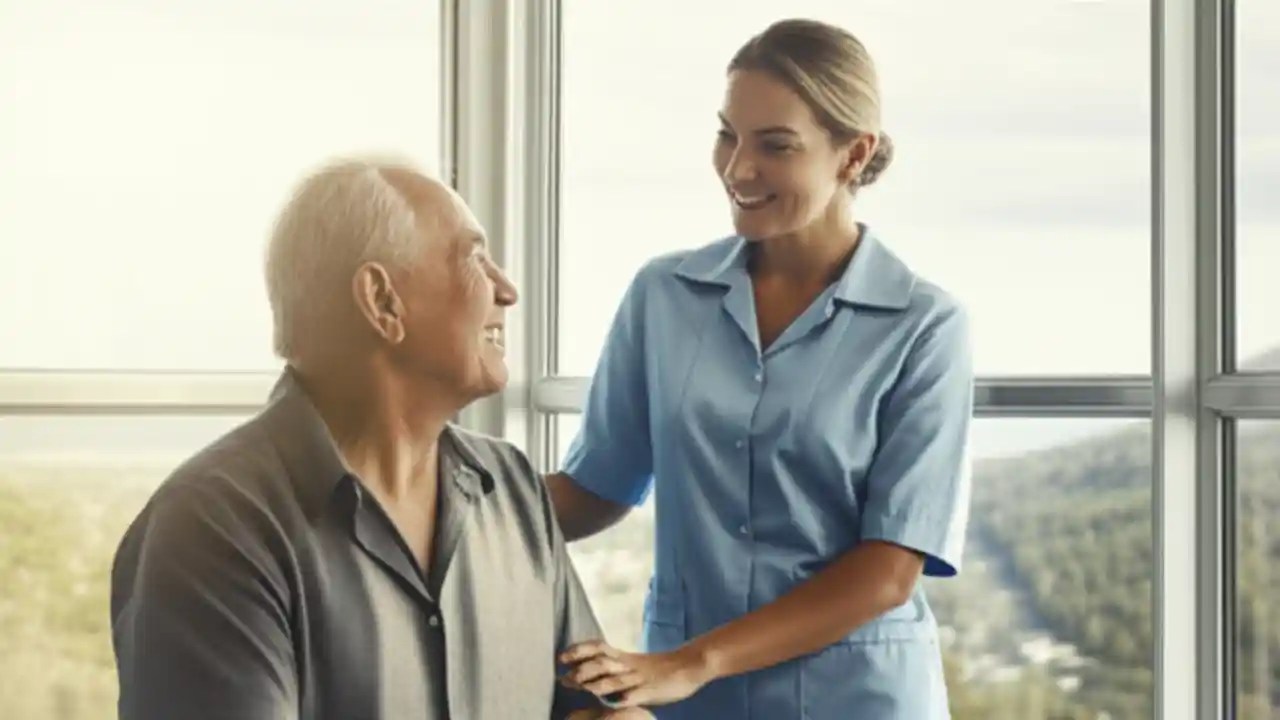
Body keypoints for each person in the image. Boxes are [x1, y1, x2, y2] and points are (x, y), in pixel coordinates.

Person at [110, 158, 650, 720]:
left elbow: (594, 708)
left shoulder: (512, 490)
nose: (506, 290)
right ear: (382, 301)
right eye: (473, 258)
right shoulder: (213, 529)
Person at [548, 18, 974, 720]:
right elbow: (595, 490)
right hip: (691, 700)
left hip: (854, 699)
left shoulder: (924, 326)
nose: (738, 168)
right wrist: (438, 496)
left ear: (853, 154)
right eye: (727, 135)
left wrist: (691, 662)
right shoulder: (663, 296)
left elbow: (888, 571)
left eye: (775, 145)